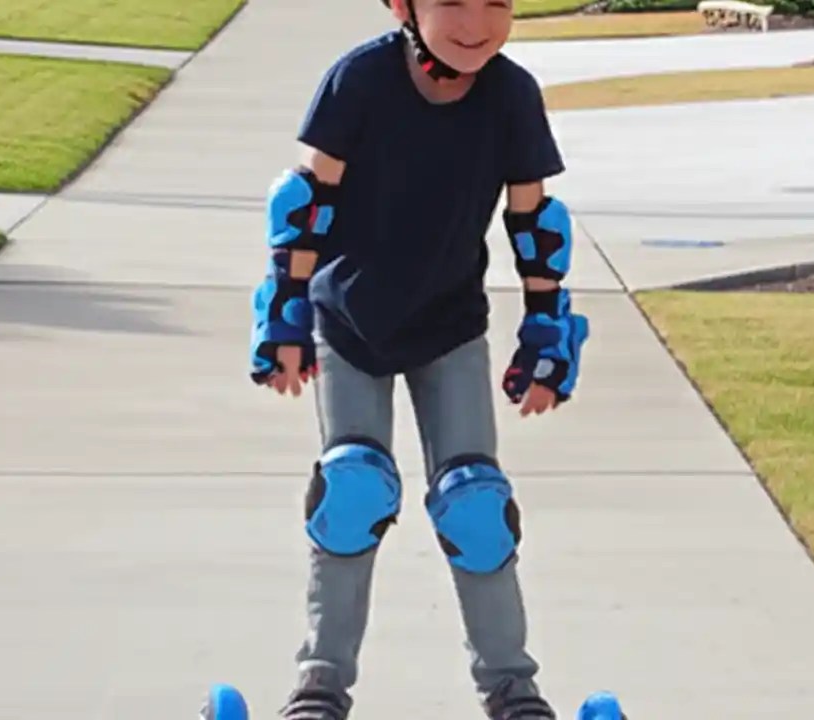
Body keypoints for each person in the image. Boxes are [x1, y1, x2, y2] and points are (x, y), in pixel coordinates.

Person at [245, 0, 589, 717]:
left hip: (451, 325)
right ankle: (320, 685)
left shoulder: (512, 94)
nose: (477, 24)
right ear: (405, 5)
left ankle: (512, 688)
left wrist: (547, 330)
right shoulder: (360, 80)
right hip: (349, 324)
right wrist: (286, 313)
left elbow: (534, 224)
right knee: (351, 496)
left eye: (497, 3)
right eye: (453, 3)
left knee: (476, 508)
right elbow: (306, 203)